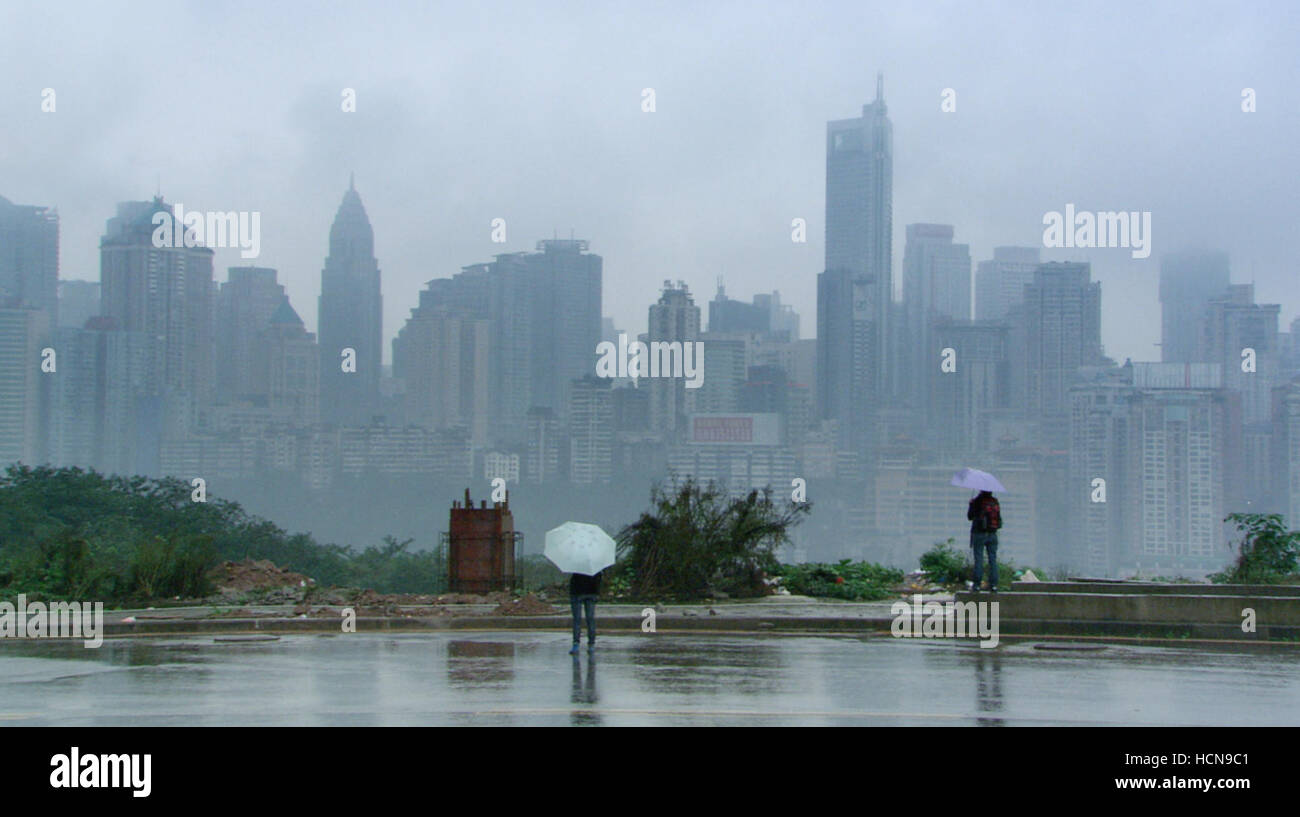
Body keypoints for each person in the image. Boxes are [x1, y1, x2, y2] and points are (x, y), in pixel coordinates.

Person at [966, 490, 1002, 593]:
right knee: (993, 560)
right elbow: (999, 520)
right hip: (992, 534)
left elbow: (970, 516)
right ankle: (994, 585)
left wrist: (971, 505)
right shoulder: (994, 501)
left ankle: (977, 585)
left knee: (979, 559)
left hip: (979, 534)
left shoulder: (977, 501)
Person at [569, 570, 601, 654]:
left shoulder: (576, 564)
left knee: (577, 620)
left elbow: (573, 580)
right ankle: (591, 644)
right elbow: (599, 579)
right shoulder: (595, 565)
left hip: (576, 592)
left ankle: (576, 644)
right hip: (591, 592)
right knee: (590, 619)